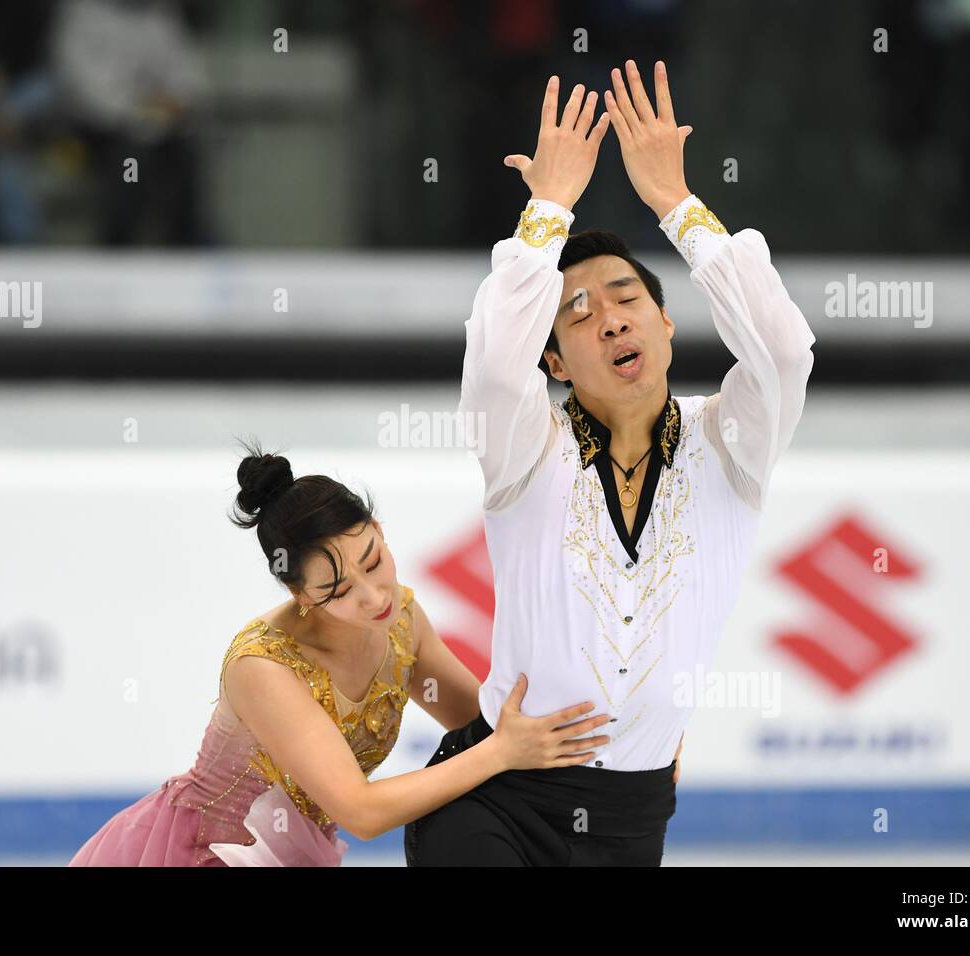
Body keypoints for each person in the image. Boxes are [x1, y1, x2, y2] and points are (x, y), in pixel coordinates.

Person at [404, 59, 816, 866]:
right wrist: (547, 210)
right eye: (579, 315)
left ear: (665, 324)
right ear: (554, 362)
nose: (610, 321)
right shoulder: (526, 448)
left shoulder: (730, 446)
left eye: (628, 300)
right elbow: (493, 366)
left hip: (632, 816)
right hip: (495, 793)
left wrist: (677, 204)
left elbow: (783, 354)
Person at [69, 441, 610, 865]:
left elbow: (484, 721)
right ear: (300, 596)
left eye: (373, 562)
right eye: (337, 592)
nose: (373, 597)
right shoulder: (264, 667)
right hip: (201, 856)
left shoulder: (402, 618)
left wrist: (619, 749)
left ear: (378, 529)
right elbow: (361, 811)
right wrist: (500, 753)